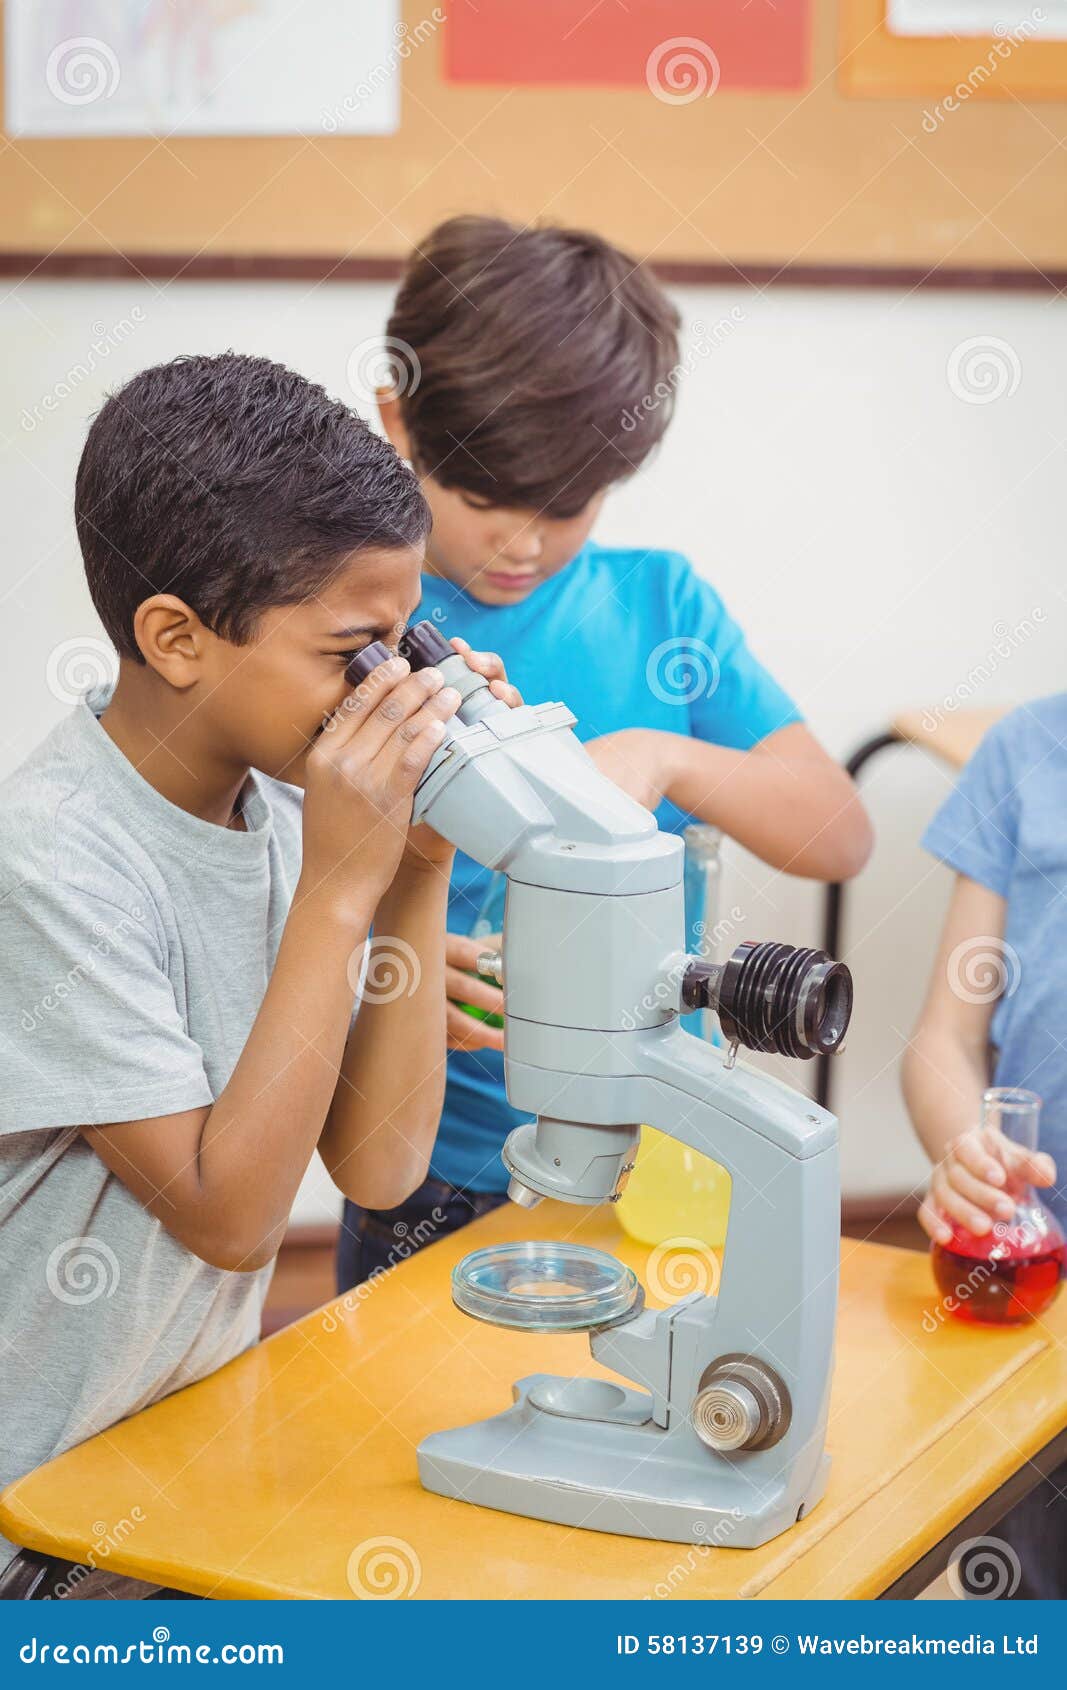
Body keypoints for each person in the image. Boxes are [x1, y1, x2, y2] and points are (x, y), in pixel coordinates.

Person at [0, 350, 517, 1591]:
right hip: (42, 1516)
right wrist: (345, 884)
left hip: (181, 1457)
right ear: (176, 637)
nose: (390, 687)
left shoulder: (285, 811)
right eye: (353, 650)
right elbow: (231, 1220)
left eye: (405, 641)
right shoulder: (51, 859)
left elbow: (380, 1166)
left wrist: (415, 866)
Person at [336, 215, 873, 1292]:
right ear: (397, 420)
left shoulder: (660, 608)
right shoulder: (346, 622)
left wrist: (668, 759)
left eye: (566, 507)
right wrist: (375, 974)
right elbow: (256, 880)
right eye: (483, 501)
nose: (522, 544)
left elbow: (838, 832)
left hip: (645, 1167)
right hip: (423, 1168)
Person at [903, 696, 1067, 1600]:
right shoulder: (1027, 749)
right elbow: (945, 1041)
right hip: (1040, 1291)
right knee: (1026, 1577)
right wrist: (968, 1152)